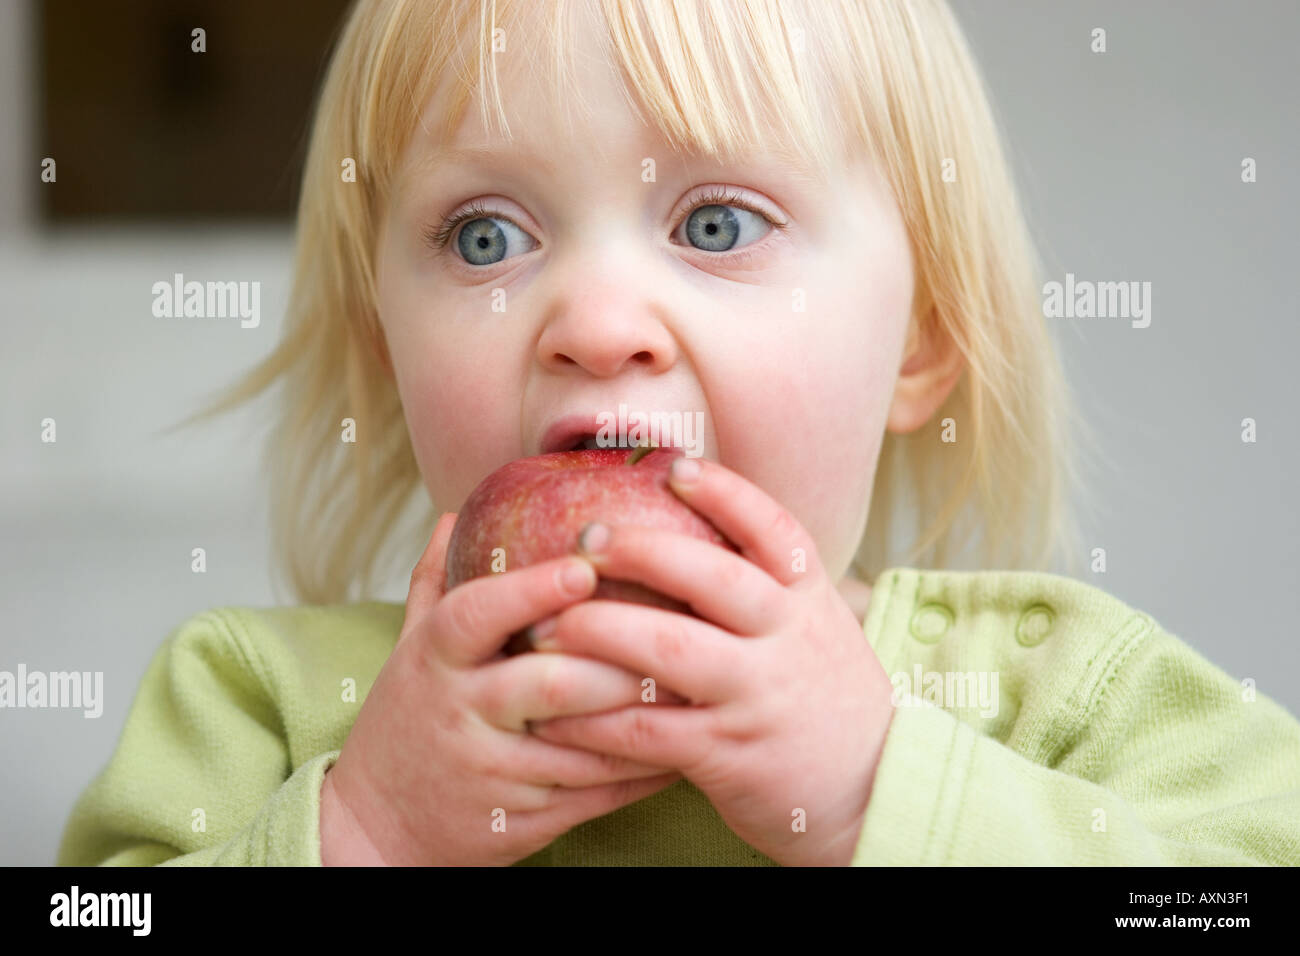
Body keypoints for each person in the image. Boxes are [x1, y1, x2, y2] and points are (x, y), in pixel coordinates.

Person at [57, 0, 1300, 866]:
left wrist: (881, 795)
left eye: (716, 225)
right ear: (387, 349)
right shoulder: (263, 709)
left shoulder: (1057, 701)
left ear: (917, 341)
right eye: (486, 235)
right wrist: (368, 836)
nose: (596, 322)